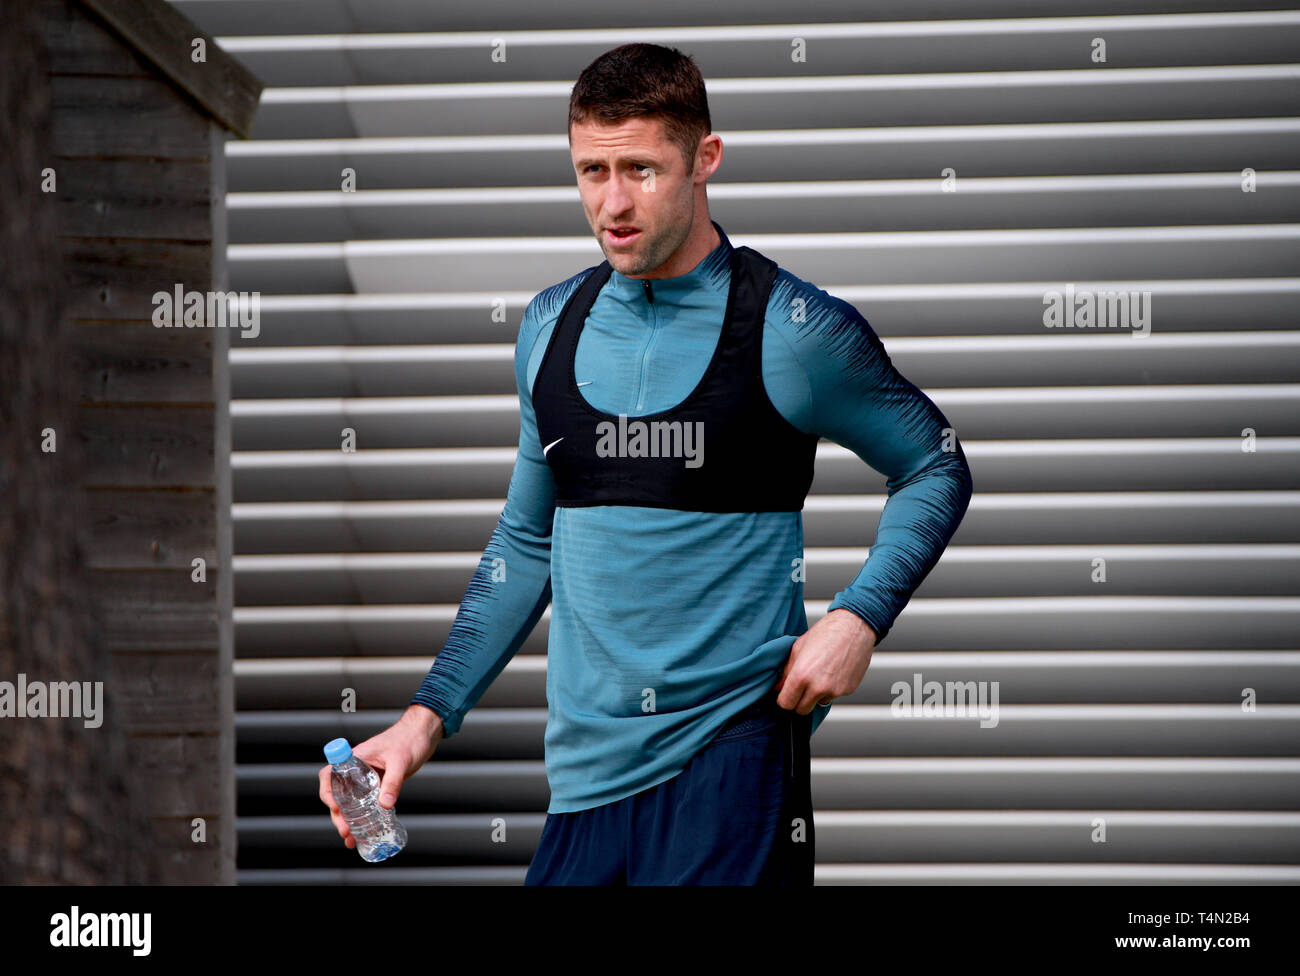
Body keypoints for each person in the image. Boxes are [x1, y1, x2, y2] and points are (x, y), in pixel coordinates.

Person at [319, 42, 973, 885]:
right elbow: (526, 542)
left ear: (706, 160)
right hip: (585, 781)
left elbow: (935, 463)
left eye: (641, 169)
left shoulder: (794, 329)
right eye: (592, 171)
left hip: (730, 766)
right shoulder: (550, 324)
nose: (613, 203)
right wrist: (424, 720)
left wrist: (858, 618)